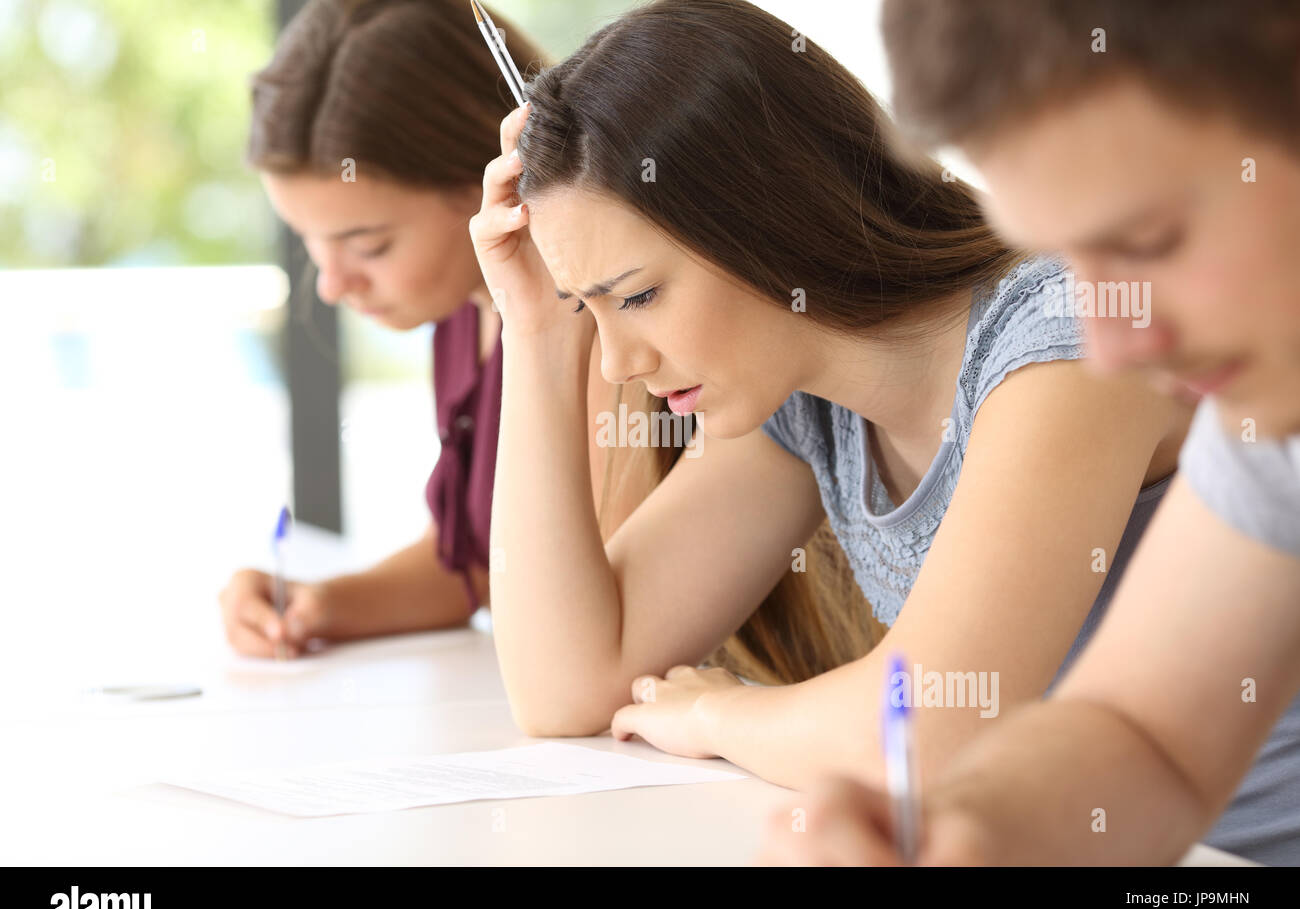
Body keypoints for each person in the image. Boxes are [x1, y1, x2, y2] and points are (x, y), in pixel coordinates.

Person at [467, 0, 1194, 801]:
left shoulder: (1067, 334)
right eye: (586, 308)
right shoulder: (805, 399)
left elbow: (924, 731)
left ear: (768, 214)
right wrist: (535, 330)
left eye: (636, 297)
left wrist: (719, 717)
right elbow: (566, 689)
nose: (616, 364)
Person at [759, 0, 1300, 865]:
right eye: (1066, 262)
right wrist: (971, 830)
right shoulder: (1275, 418)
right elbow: (1145, 737)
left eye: (1149, 240)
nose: (1115, 345)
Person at [220, 0, 875, 691]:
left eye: (369, 244)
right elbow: (479, 561)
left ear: (491, 174)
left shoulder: (615, 326)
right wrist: (325, 605)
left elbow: (589, 614)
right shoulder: (464, 314)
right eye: (311, 246)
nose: (331, 286)